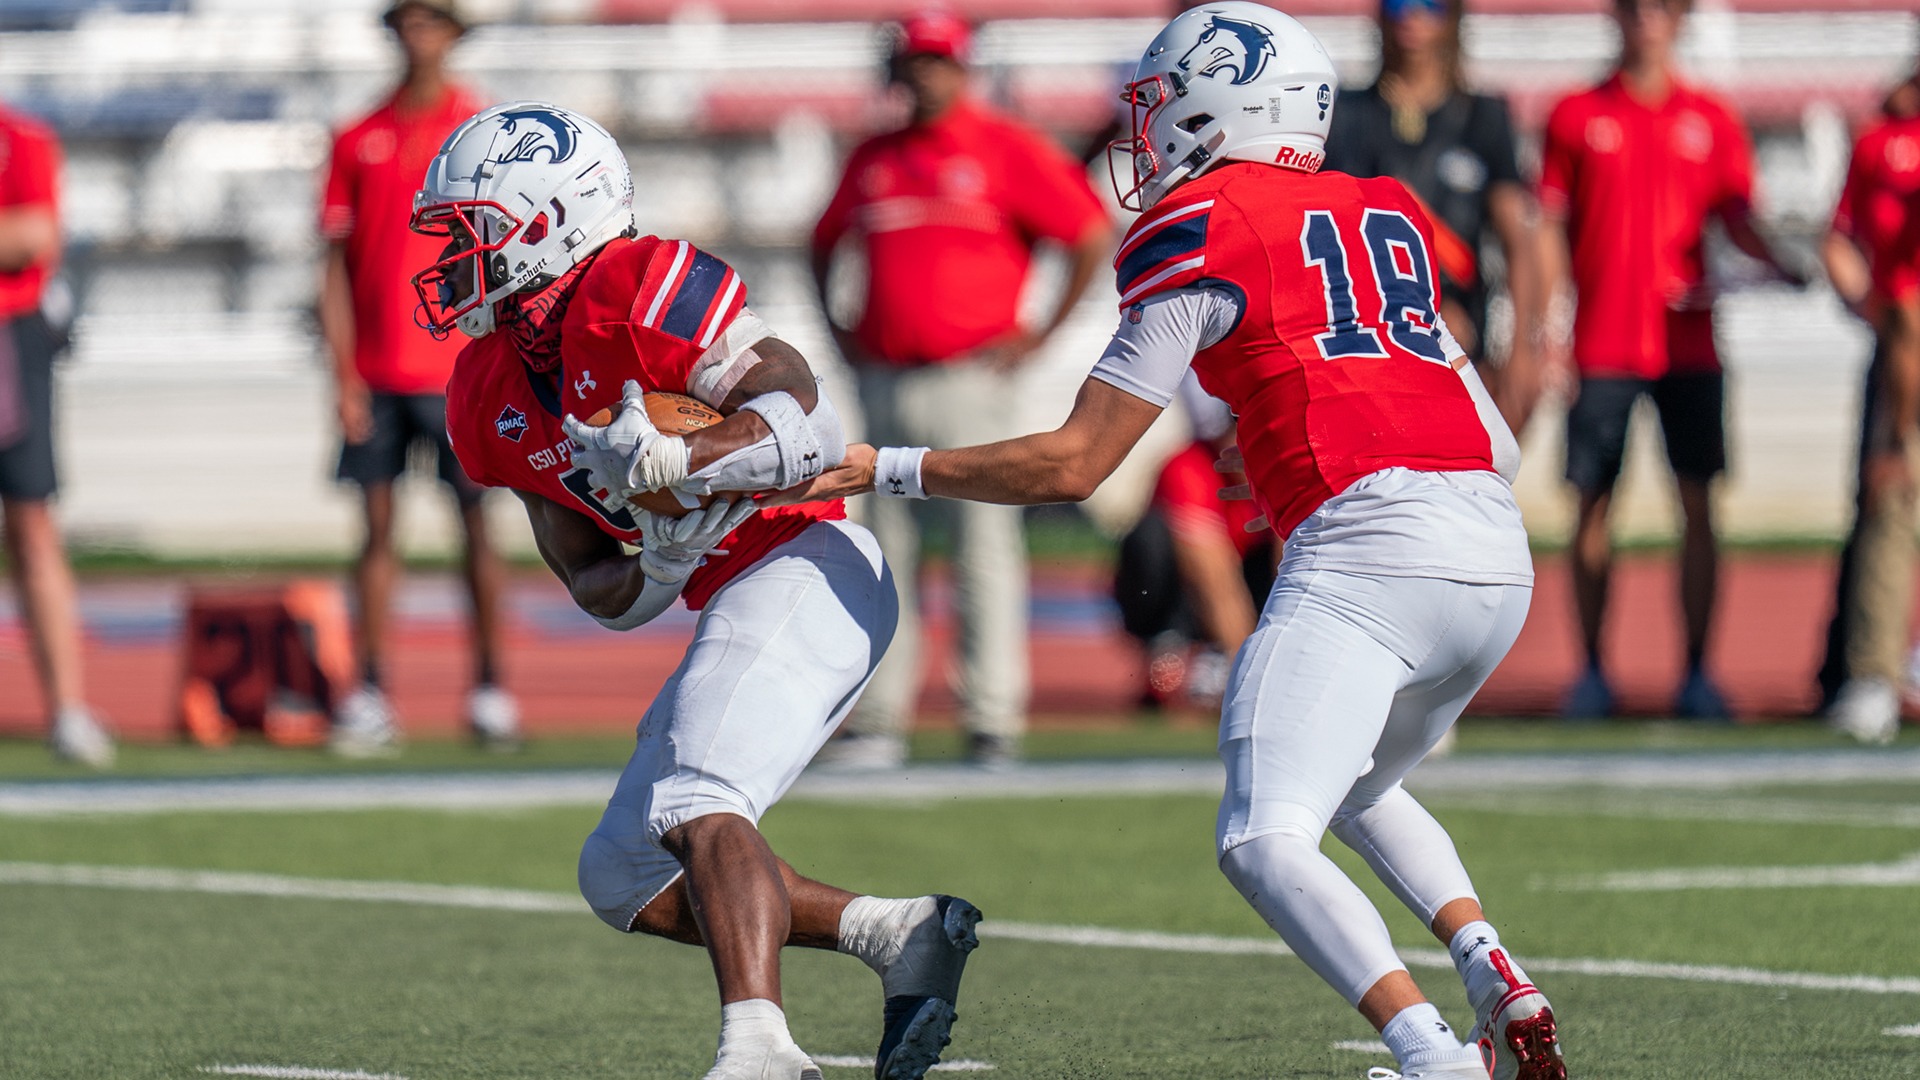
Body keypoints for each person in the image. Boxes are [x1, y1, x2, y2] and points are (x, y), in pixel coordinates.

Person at [775, 7, 1563, 1078]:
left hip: (1370, 546)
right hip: (1492, 548)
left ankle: (1432, 1057)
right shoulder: (1383, 208)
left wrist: (887, 465)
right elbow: (1501, 443)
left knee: (1261, 836)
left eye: (1165, 104)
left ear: (1231, 103)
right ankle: (1493, 972)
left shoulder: (1201, 220)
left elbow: (1077, 463)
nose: (1148, 134)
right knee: (1357, 786)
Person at [414, 101, 980, 1080]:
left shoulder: (641, 283)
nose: (452, 259)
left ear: (549, 222)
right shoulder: (483, 389)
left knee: (696, 795)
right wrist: (662, 563)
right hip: (727, 588)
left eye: (474, 232)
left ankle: (759, 1046)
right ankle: (898, 933)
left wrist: (689, 454)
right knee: (620, 872)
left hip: (807, 558)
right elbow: (596, 586)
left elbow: (805, 415)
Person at [809, 9, 1112, 769]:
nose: (925, 75)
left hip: (971, 379)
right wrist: (841, 328)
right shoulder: (875, 157)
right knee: (883, 552)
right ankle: (879, 718)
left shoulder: (1005, 147)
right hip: (884, 375)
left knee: (983, 548)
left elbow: (1086, 233)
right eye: (915, 61)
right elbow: (822, 243)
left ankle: (991, 717)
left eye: (938, 62)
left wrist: (1040, 334)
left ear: (963, 67)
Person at [1538, 0, 1805, 720]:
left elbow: (1739, 220)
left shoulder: (1712, 119)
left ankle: (1697, 674)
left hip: (1689, 345)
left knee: (1699, 504)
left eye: (1659, 8)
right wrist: (1548, 333)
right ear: (1616, 19)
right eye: (1632, 8)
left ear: (1680, 19)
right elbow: (1548, 230)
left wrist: (1789, 264)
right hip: (1602, 347)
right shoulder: (1575, 115)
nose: (1645, 21)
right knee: (1591, 505)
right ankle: (1590, 671)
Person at [318, 0, 518, 755]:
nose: (418, 34)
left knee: (477, 528)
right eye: (407, 20)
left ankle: (492, 687)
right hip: (375, 369)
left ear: (455, 34)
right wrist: (340, 374)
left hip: (461, 367)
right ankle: (369, 688)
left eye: (432, 20)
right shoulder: (355, 138)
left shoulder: (485, 137)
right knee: (374, 531)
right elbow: (332, 267)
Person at [1324, 0, 1547, 433]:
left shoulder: (1484, 116)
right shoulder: (1348, 114)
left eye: (1429, 4)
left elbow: (1518, 241)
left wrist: (1524, 350)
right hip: (1366, 332)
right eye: (1398, 3)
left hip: (1462, 331)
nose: (1412, 15)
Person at [0, 94, 111, 767]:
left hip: (9, 337)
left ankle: (67, 708)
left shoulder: (20, 138)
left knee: (32, 524)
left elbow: (33, 232)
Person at [1816, 64, 1920, 745]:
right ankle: (1874, 674)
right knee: (1892, 501)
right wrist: (1865, 304)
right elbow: (1844, 239)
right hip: (1905, 337)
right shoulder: (1886, 140)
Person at [1112, 377, 1272, 711]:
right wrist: (1248, 673)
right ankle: (1169, 639)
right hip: (1183, 589)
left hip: (1252, 583)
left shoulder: (1280, 471)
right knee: (1150, 539)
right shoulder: (1189, 467)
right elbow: (1213, 581)